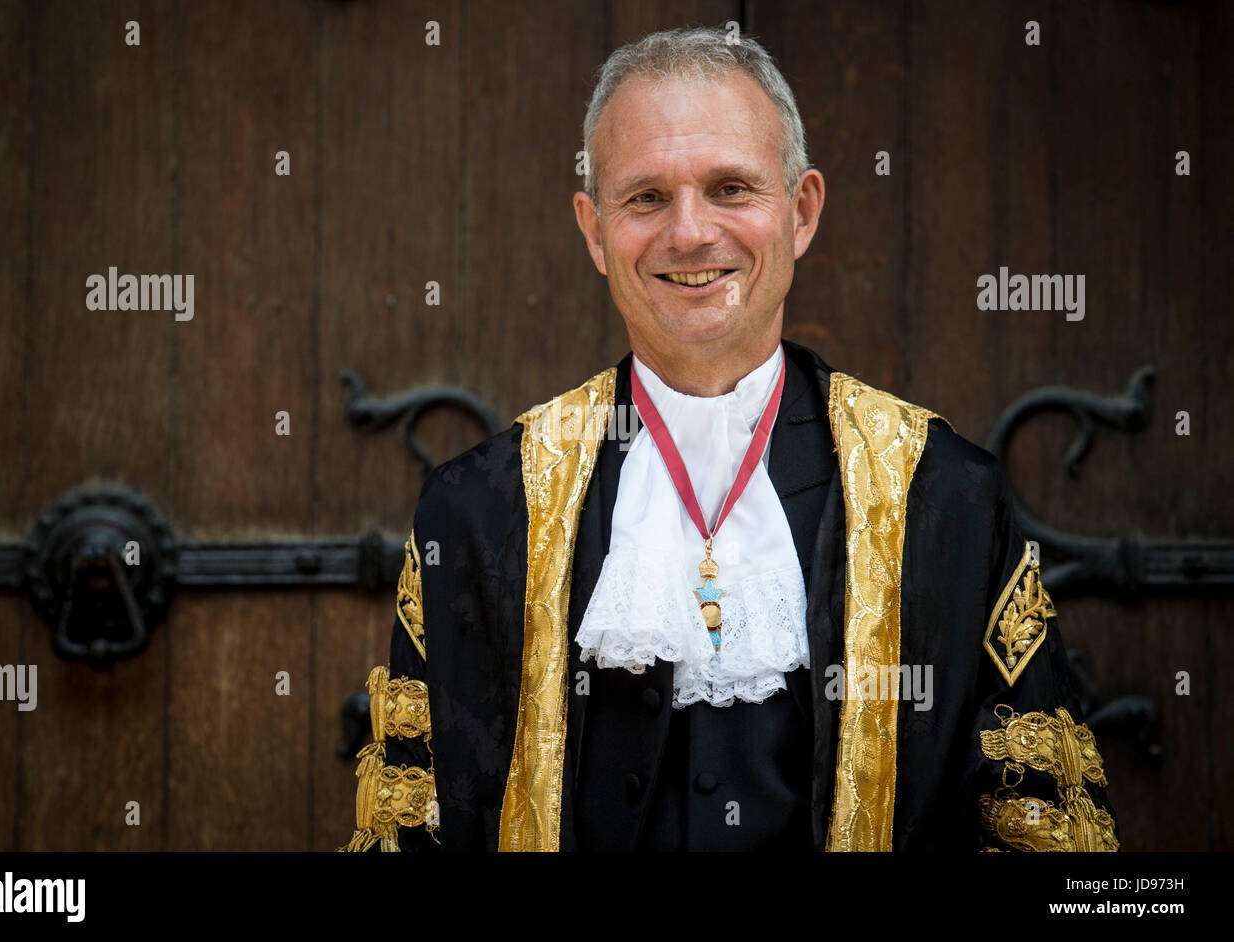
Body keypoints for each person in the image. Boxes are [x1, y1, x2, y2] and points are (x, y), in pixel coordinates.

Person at [338, 26, 1119, 853]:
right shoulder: (476, 512)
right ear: (595, 231)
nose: (689, 232)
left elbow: (1036, 830)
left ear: (803, 211)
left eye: (730, 188)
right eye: (645, 198)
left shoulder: (947, 498)